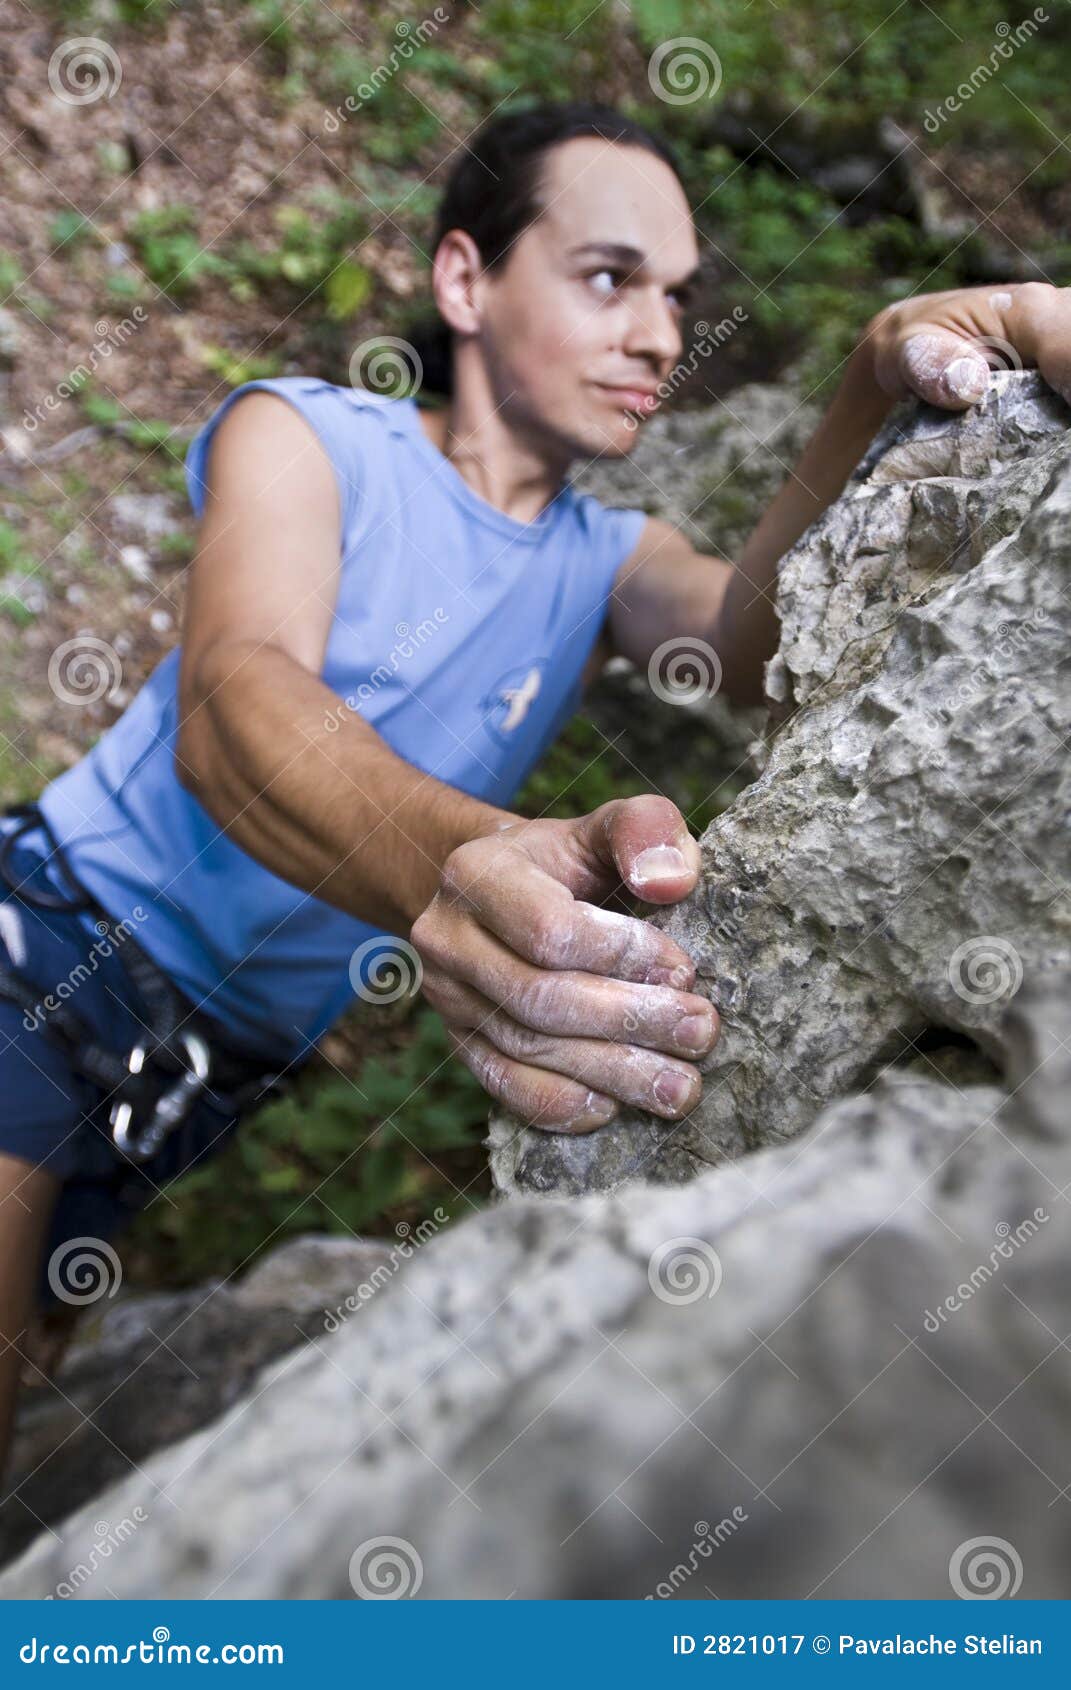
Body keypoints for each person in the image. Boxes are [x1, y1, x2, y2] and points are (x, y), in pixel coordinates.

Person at [1, 99, 1068, 1482]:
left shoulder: (606, 558)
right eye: (610, 278)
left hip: (213, 1070)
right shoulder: (309, 438)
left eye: (677, 298)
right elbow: (234, 702)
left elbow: (754, 647)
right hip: (53, 947)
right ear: (465, 279)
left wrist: (876, 374)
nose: (661, 336)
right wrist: (465, 859)